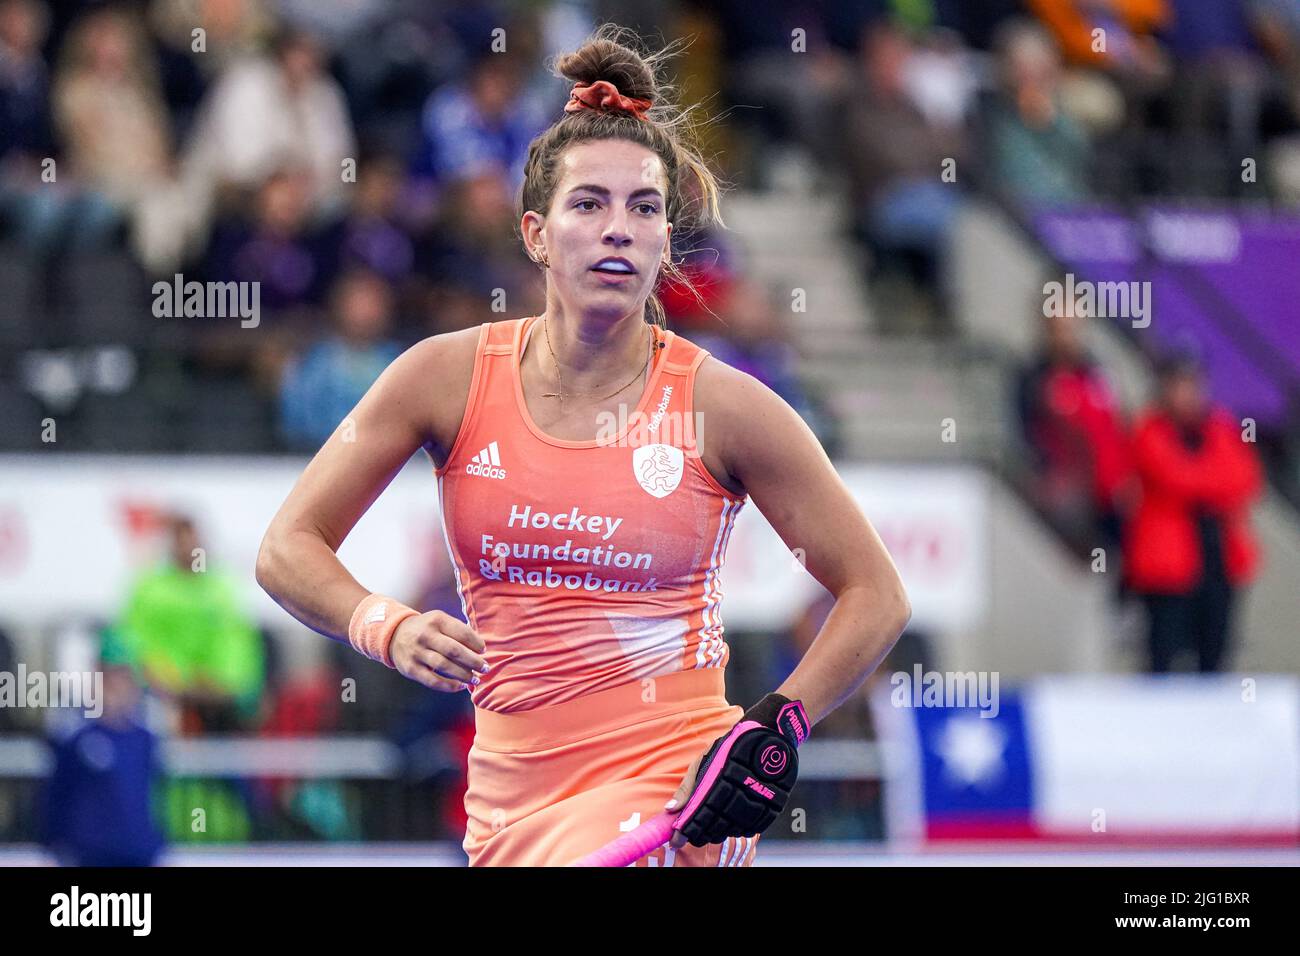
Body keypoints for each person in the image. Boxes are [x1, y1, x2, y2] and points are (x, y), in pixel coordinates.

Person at [257, 25, 911, 867]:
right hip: (507, 805)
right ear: (535, 233)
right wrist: (381, 625)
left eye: (644, 208)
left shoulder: (729, 406)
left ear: (666, 241)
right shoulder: (442, 377)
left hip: (676, 792)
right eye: (589, 204)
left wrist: (775, 725)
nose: (619, 229)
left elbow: (876, 592)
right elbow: (285, 548)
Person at [1123, 353, 1264, 672]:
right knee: (1163, 660)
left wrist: (1203, 481)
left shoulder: (1221, 427)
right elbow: (1173, 477)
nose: (1186, 393)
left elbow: (1247, 478)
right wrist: (1214, 482)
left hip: (1219, 565)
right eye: (1178, 384)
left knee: (1215, 660)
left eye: (1192, 384)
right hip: (1168, 571)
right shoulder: (1149, 429)